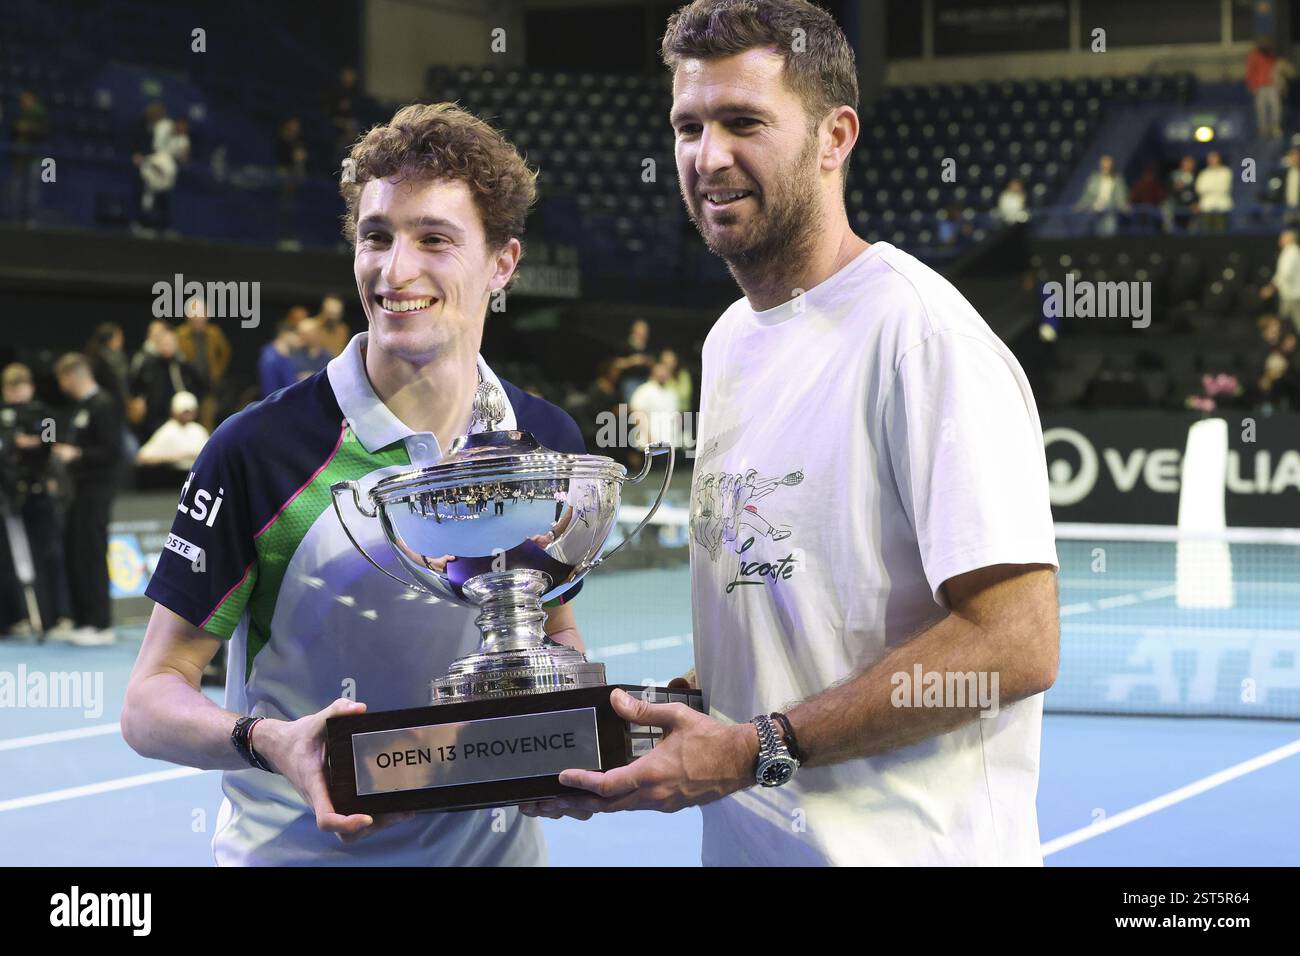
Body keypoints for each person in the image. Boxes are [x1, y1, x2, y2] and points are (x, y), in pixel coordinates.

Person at [525, 0, 1060, 868]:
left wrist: (754, 748)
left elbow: (1017, 641)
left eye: (744, 122)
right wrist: (657, 720)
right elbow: (784, 612)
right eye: (688, 126)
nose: (708, 156)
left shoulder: (922, 338)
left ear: (833, 137)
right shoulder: (729, 340)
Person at [122, 101, 588, 866]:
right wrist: (269, 741)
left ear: (503, 263)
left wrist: (575, 732)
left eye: (433, 239)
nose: (394, 271)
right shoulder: (260, 451)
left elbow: (547, 628)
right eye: (376, 237)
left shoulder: (545, 440)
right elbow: (149, 700)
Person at [47, 354, 123, 647]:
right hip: (77, 491)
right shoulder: (82, 407)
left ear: (72, 376)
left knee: (92, 553)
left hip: (97, 491)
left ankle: (100, 623)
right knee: (76, 553)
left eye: (61, 380)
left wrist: (77, 454)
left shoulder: (104, 404)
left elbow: (112, 451)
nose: (61, 386)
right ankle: (82, 619)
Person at [0, 364, 65, 635]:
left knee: (48, 552)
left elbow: (50, 442)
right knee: (7, 558)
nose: (16, 393)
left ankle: (56, 616)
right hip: (7, 492)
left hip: (38, 491)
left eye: (20, 387)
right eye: (11, 388)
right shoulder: (3, 414)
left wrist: (26, 442)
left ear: (31, 387)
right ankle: (12, 617)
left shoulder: (44, 413)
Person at [130, 325, 205, 440]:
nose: (167, 347)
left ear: (176, 345)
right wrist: (139, 401)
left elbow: (201, 385)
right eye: (164, 344)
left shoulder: (183, 366)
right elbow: (136, 387)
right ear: (157, 345)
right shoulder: (148, 365)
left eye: (170, 344)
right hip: (154, 419)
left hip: (180, 418)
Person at [175, 296, 232, 431]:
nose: (198, 318)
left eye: (201, 314)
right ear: (187, 316)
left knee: (207, 422)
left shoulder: (214, 333)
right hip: (187, 387)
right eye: (194, 314)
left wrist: (216, 373)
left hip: (208, 387)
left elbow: (225, 353)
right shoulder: (179, 334)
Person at [136, 391, 209, 470]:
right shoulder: (168, 430)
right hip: (174, 474)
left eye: (190, 411)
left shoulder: (199, 430)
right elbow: (143, 457)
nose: (187, 415)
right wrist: (177, 457)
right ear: (174, 411)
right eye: (184, 411)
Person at [1074, 154, 1128, 236]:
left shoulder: (1117, 179)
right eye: (1104, 166)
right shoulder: (1094, 178)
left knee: (1110, 231)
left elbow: (1120, 196)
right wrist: (1081, 204)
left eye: (1108, 166)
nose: (1106, 168)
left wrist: (1123, 205)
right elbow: (1088, 195)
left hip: (1110, 211)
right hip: (1094, 211)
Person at [1261, 229, 1300, 333]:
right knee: (1285, 321)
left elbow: (1284, 274)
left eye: (1283, 237)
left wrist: (1271, 288)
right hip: (1289, 294)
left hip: (1293, 295)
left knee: (1292, 321)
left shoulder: (1291, 252)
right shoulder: (1291, 251)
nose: (1280, 239)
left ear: (1291, 238)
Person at [1247, 37, 1281, 140]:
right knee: (1261, 109)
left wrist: (1278, 83)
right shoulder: (1254, 55)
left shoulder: (1271, 54)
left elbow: (1276, 69)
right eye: (1263, 43)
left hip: (1271, 85)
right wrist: (1252, 86)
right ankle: (1263, 129)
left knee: (1275, 107)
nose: (1265, 45)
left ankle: (1275, 127)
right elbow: (1250, 71)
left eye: (1267, 43)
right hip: (1260, 86)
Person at [259, 317, 303, 397]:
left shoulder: (286, 355)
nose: (300, 339)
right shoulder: (270, 359)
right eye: (297, 334)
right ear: (285, 334)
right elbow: (271, 393)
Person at [1194, 150, 1232, 232]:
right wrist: (1213, 188)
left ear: (1219, 158)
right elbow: (1199, 189)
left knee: (1221, 231)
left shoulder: (1226, 172)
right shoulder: (1204, 173)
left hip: (1222, 206)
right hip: (1206, 207)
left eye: (1214, 158)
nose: (1212, 160)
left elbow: (1224, 188)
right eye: (1210, 158)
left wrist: (1209, 188)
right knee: (1206, 231)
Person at [1165, 154, 1198, 232]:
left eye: (1190, 163)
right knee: (1167, 209)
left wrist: (1195, 202)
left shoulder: (1197, 176)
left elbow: (1197, 192)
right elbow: (1168, 189)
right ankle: (1169, 234)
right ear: (1182, 163)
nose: (1188, 165)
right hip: (1175, 203)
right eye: (1186, 162)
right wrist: (1175, 187)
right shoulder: (1175, 175)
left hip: (1190, 205)